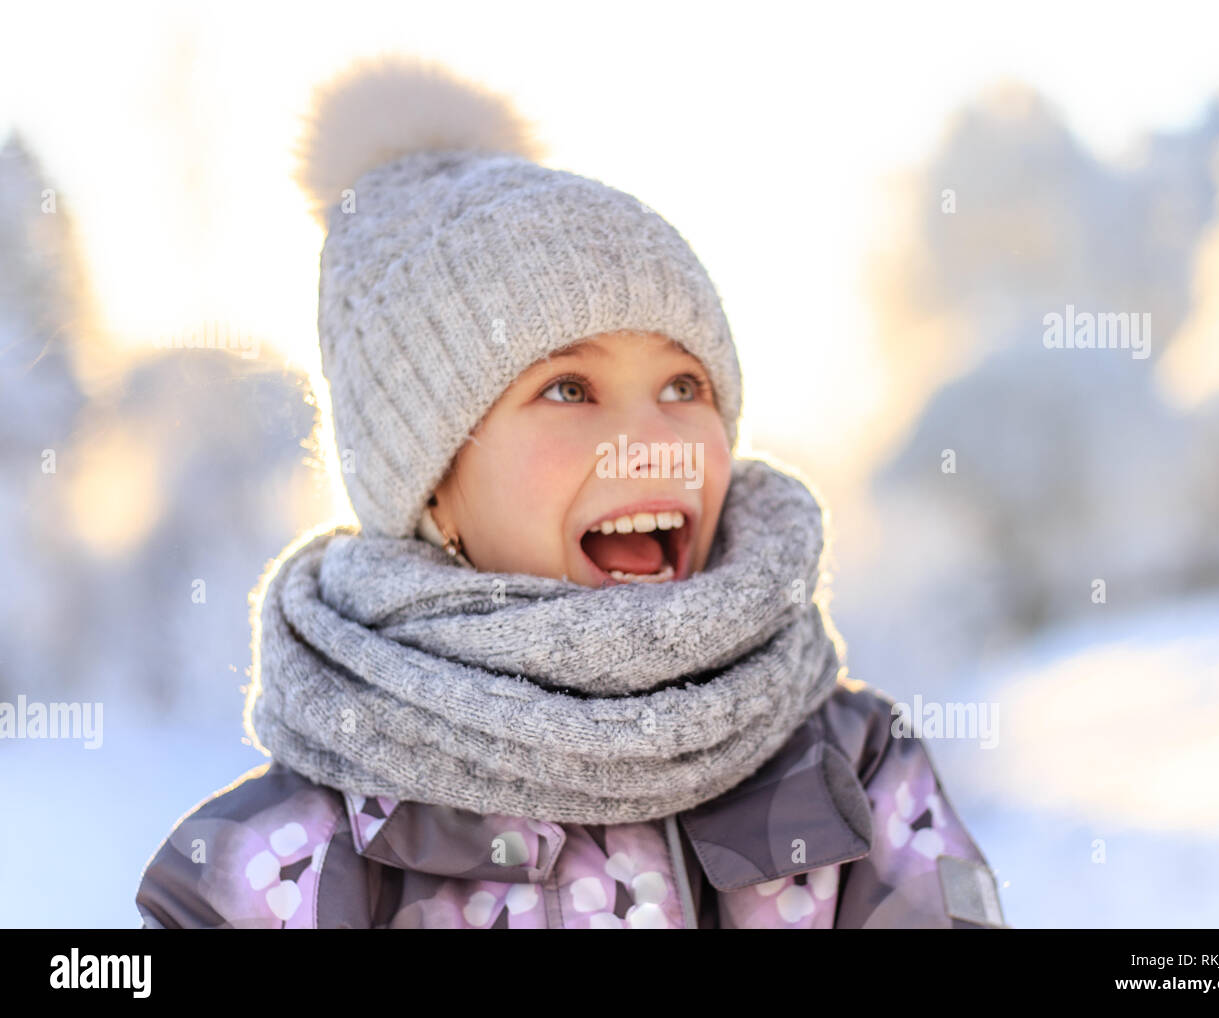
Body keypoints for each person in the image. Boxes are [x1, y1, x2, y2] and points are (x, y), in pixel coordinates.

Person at [134, 53, 1006, 930]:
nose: (654, 443)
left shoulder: (853, 771)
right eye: (568, 390)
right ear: (431, 485)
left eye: (683, 387)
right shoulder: (276, 867)